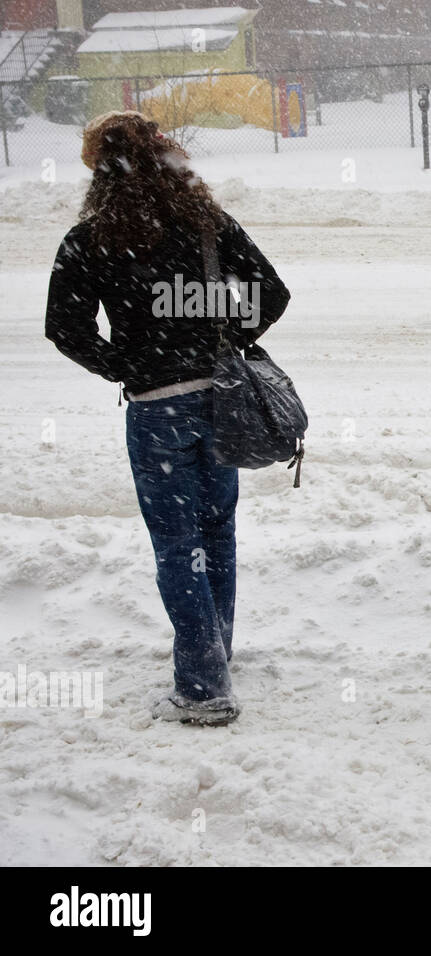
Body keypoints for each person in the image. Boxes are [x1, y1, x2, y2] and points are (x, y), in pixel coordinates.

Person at [45, 111, 290, 725]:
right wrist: (227, 336)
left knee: (179, 544)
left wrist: (122, 362)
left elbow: (63, 328)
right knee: (218, 532)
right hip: (220, 398)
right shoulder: (206, 223)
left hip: (157, 411)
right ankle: (216, 651)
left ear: (101, 172)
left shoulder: (90, 238)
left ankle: (204, 687)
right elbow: (272, 291)